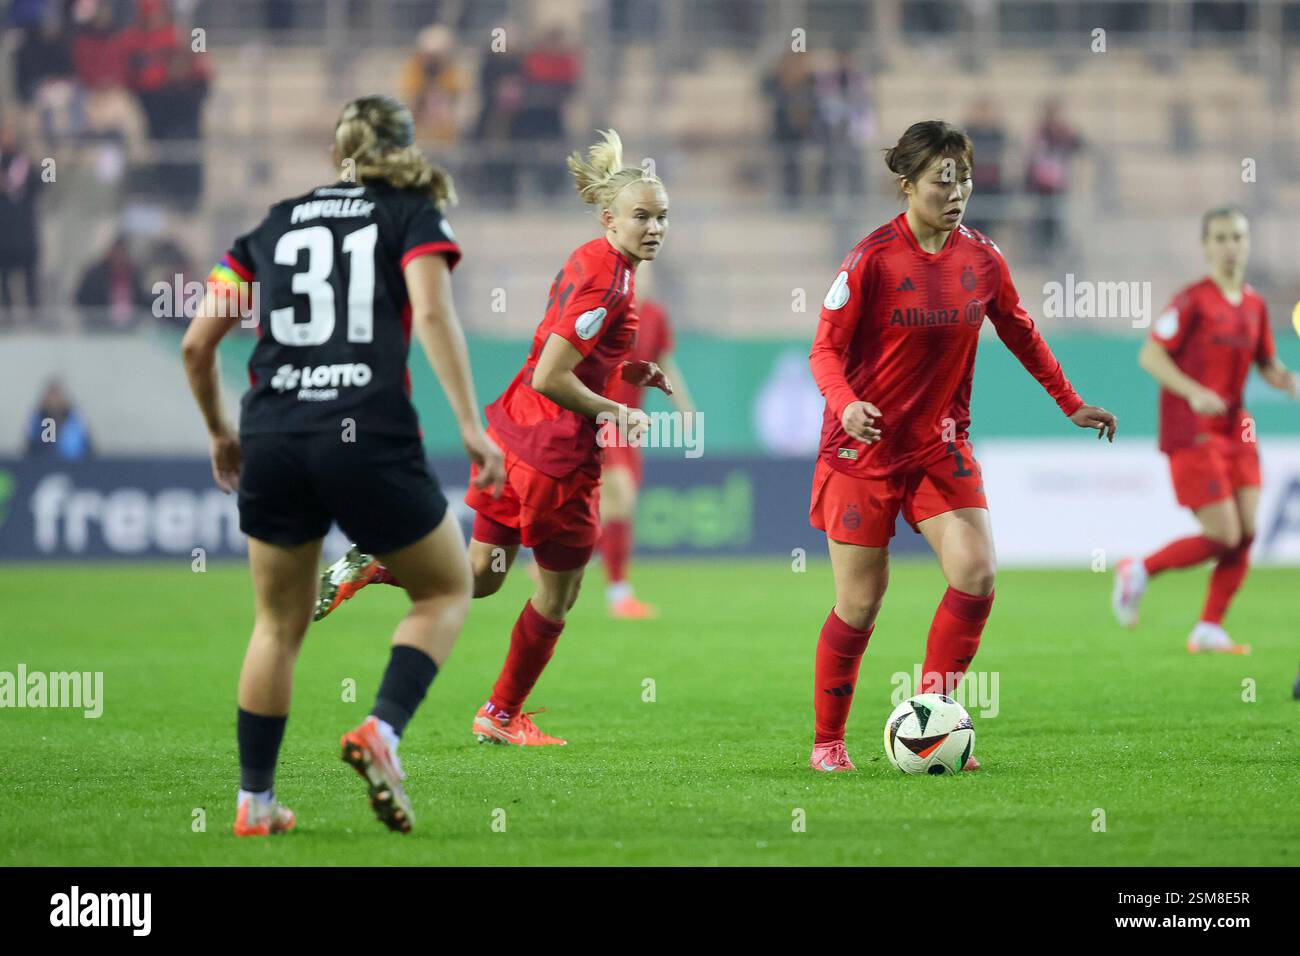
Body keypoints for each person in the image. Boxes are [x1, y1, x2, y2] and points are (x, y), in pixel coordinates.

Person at [180, 95, 504, 836]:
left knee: (276, 625)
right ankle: (381, 732)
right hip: (366, 432)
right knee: (447, 587)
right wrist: (468, 424)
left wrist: (221, 432)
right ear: (404, 145)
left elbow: (198, 344)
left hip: (272, 435)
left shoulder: (271, 224)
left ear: (338, 153)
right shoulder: (409, 212)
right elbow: (429, 312)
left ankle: (254, 804)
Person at [313, 129, 673, 747]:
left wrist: (627, 369)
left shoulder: (597, 259)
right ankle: (501, 714)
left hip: (515, 434)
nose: (655, 227)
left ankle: (378, 562)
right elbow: (551, 374)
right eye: (642, 216)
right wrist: (617, 407)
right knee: (559, 593)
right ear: (610, 218)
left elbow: (571, 354)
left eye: (663, 217)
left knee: (480, 574)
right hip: (556, 456)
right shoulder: (609, 283)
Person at [806, 120, 1117, 773]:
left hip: (940, 447)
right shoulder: (871, 259)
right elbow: (825, 349)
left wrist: (1070, 402)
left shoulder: (982, 258)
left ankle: (931, 718)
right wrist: (847, 404)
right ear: (907, 186)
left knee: (976, 574)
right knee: (860, 606)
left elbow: (1022, 332)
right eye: (942, 181)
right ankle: (828, 742)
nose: (957, 193)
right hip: (863, 451)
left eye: (965, 179)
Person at [1112, 207, 1298, 653]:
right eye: (1221, 237)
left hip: (1238, 429)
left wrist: (1288, 381)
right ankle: (1138, 571)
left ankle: (1209, 627)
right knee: (1224, 534)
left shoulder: (1254, 304)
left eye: (1238, 236)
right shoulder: (1192, 300)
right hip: (1192, 429)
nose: (1231, 245)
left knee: (1248, 531)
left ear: (1248, 242)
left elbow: (1266, 364)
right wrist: (1193, 391)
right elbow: (1151, 355)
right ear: (1206, 246)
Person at [598, 287, 695, 619]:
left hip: (630, 426)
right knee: (619, 496)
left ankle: (554, 555)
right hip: (598, 416)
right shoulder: (602, 309)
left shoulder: (655, 315)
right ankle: (619, 594)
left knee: (614, 507)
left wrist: (684, 408)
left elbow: (663, 366)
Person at [25, 380, 93, 461]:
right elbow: (38, 447)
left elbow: (84, 444)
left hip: (74, 463)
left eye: (56, 396)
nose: (54, 401)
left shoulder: (73, 419)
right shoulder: (42, 419)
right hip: (45, 463)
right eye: (51, 397)